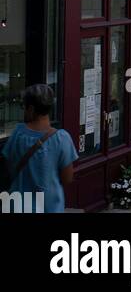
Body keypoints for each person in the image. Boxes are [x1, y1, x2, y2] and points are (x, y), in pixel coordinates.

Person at [1, 84, 78, 213]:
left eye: (23, 107)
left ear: (30, 109)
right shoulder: (62, 138)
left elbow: (9, 166)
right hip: (49, 207)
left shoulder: (17, 134)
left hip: (18, 206)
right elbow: (68, 178)